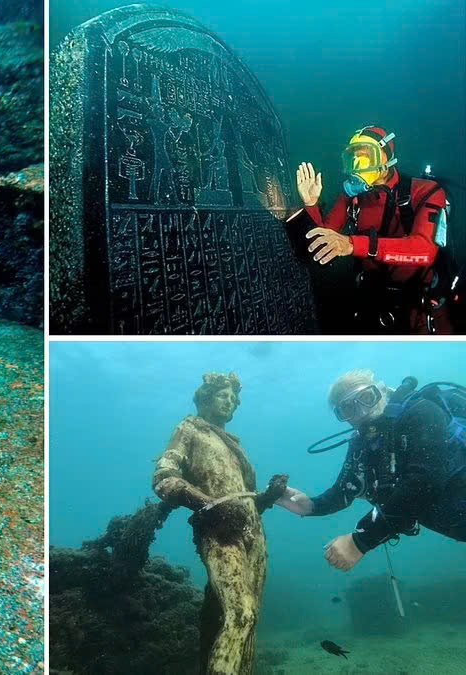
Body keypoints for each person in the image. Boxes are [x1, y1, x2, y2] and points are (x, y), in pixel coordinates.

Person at [152, 372, 287, 675]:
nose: (232, 403)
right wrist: (208, 506)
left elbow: (247, 500)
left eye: (235, 399)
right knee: (241, 614)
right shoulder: (189, 430)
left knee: (250, 625)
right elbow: (164, 478)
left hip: (254, 534)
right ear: (205, 397)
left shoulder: (232, 444)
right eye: (224, 395)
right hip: (220, 533)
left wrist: (268, 496)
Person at [276, 370, 466, 572]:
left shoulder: (422, 413)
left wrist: (360, 540)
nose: (361, 412)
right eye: (348, 408)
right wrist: (310, 505)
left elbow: (425, 481)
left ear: (383, 391)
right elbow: (344, 491)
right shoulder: (363, 445)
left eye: (366, 397)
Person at [288, 126, 453, 334]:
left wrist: (352, 244)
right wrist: (311, 204)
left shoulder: (426, 191)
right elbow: (324, 243)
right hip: (371, 301)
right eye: (352, 158)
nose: (358, 165)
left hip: (420, 308)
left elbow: (424, 252)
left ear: (386, 158)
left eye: (366, 156)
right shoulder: (351, 197)